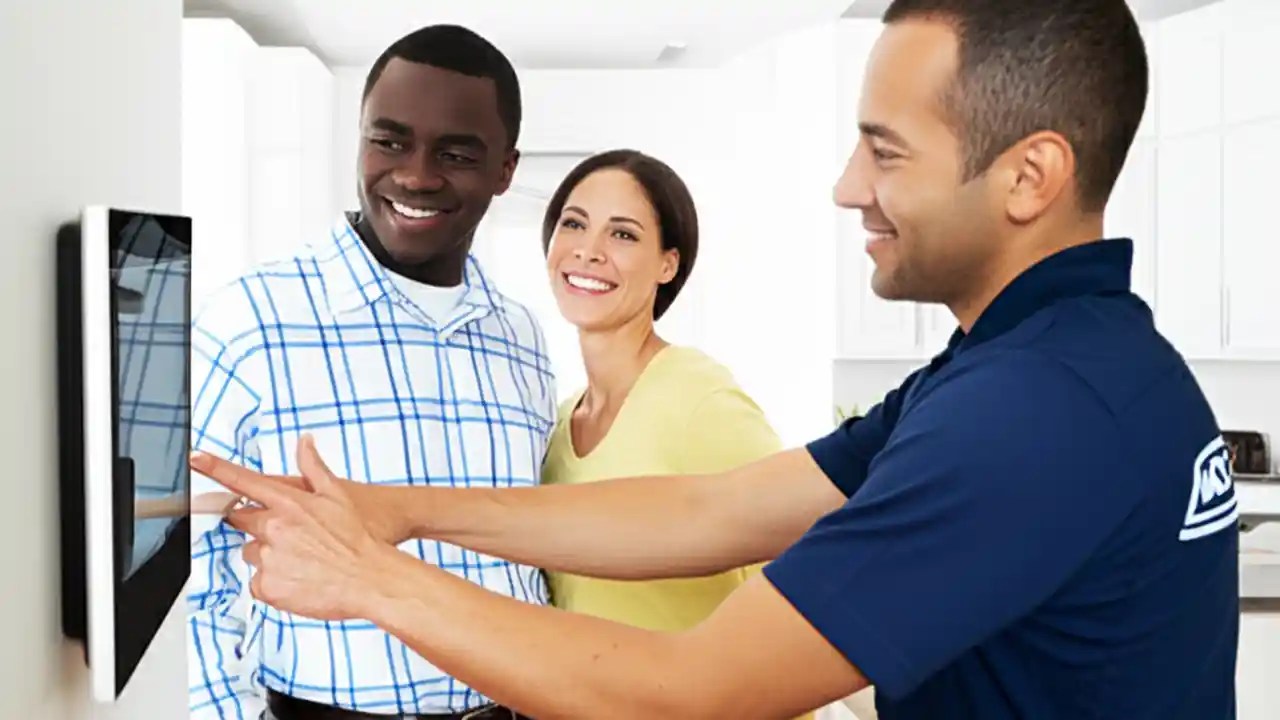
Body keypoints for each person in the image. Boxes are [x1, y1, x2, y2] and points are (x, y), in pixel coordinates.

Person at [192, 2, 1241, 718]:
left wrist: (368, 577)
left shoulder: (1030, 413)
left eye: (884, 151)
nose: (846, 187)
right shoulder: (1037, 359)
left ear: (1029, 176)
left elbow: (693, 690)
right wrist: (399, 511)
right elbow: (712, 511)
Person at [186, 24, 554, 720]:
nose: (415, 176)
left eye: (455, 153)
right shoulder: (249, 321)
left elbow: (529, 558)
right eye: (389, 142)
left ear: (505, 170)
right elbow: (188, 578)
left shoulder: (522, 339)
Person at [534, 149, 815, 719]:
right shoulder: (557, 427)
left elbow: (813, 568)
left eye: (623, 234)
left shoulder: (698, 398)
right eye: (574, 223)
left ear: (668, 264)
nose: (589, 250)